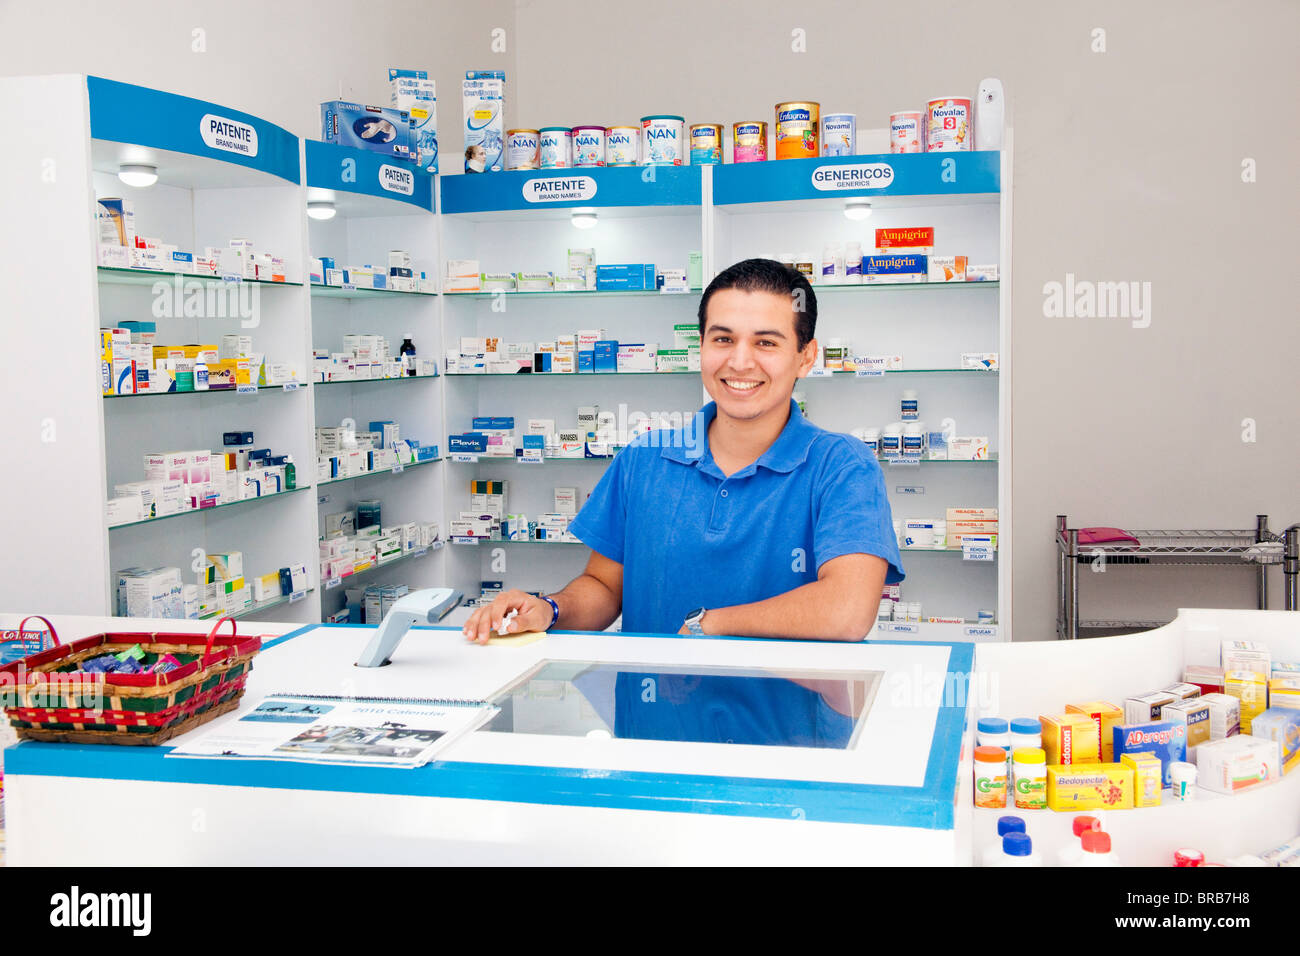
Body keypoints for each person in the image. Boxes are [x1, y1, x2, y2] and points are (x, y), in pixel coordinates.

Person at [464, 258, 904, 648]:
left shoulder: (841, 466)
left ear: (805, 358)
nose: (740, 362)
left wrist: (710, 626)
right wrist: (550, 609)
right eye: (723, 339)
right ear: (702, 347)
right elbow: (603, 587)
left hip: (782, 733)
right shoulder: (643, 459)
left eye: (766, 343)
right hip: (652, 727)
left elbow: (847, 611)